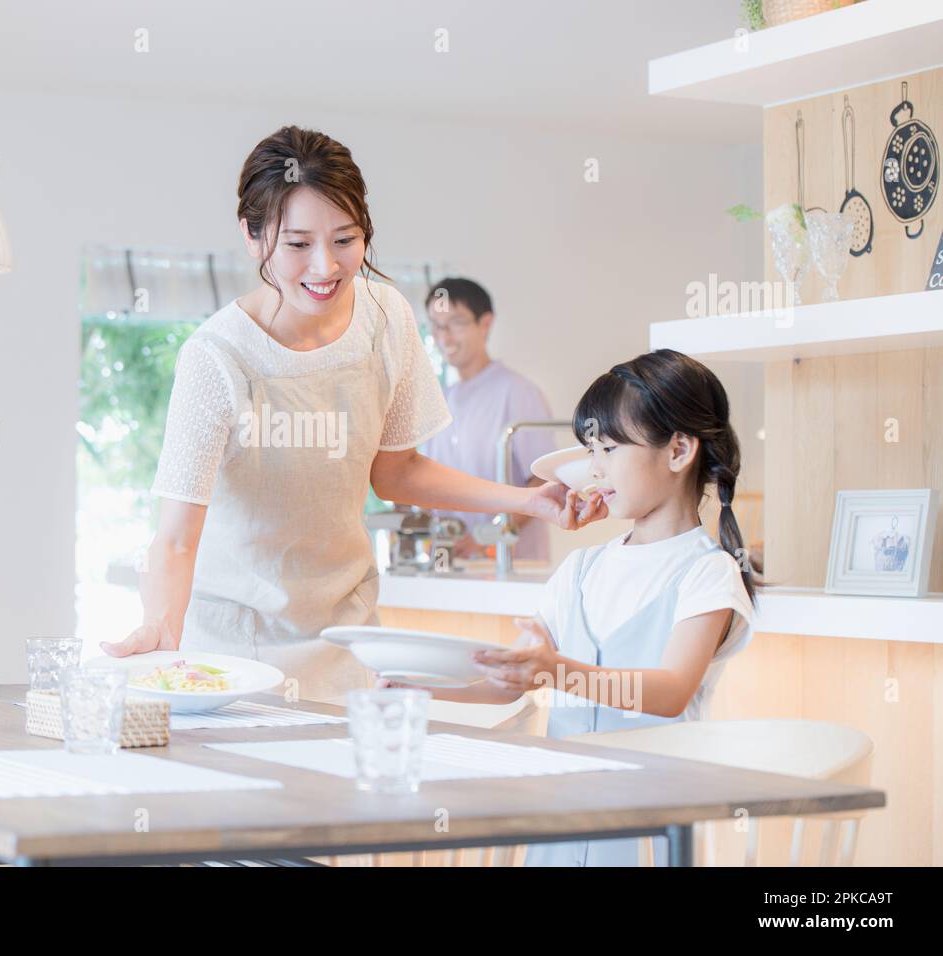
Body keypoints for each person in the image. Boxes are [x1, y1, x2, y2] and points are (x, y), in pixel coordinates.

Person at [100, 125, 606, 702]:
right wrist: (162, 629)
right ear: (252, 234)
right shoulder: (217, 357)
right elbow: (176, 539)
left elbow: (396, 472)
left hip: (348, 641)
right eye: (297, 244)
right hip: (234, 654)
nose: (325, 267)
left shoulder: (386, 318)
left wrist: (526, 499)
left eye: (346, 239)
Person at [390, 349, 756, 864]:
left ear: (678, 450)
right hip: (561, 820)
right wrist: (422, 686)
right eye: (590, 451)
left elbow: (672, 691)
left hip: (648, 829)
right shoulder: (581, 569)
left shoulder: (707, 571)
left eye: (608, 448)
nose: (594, 469)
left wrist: (556, 671)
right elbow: (512, 680)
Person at [422, 278, 555, 562]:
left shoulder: (518, 392)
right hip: (452, 566)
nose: (444, 337)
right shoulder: (441, 401)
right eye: (436, 325)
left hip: (514, 566)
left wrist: (484, 537)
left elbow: (543, 481)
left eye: (455, 323)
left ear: (485, 323)